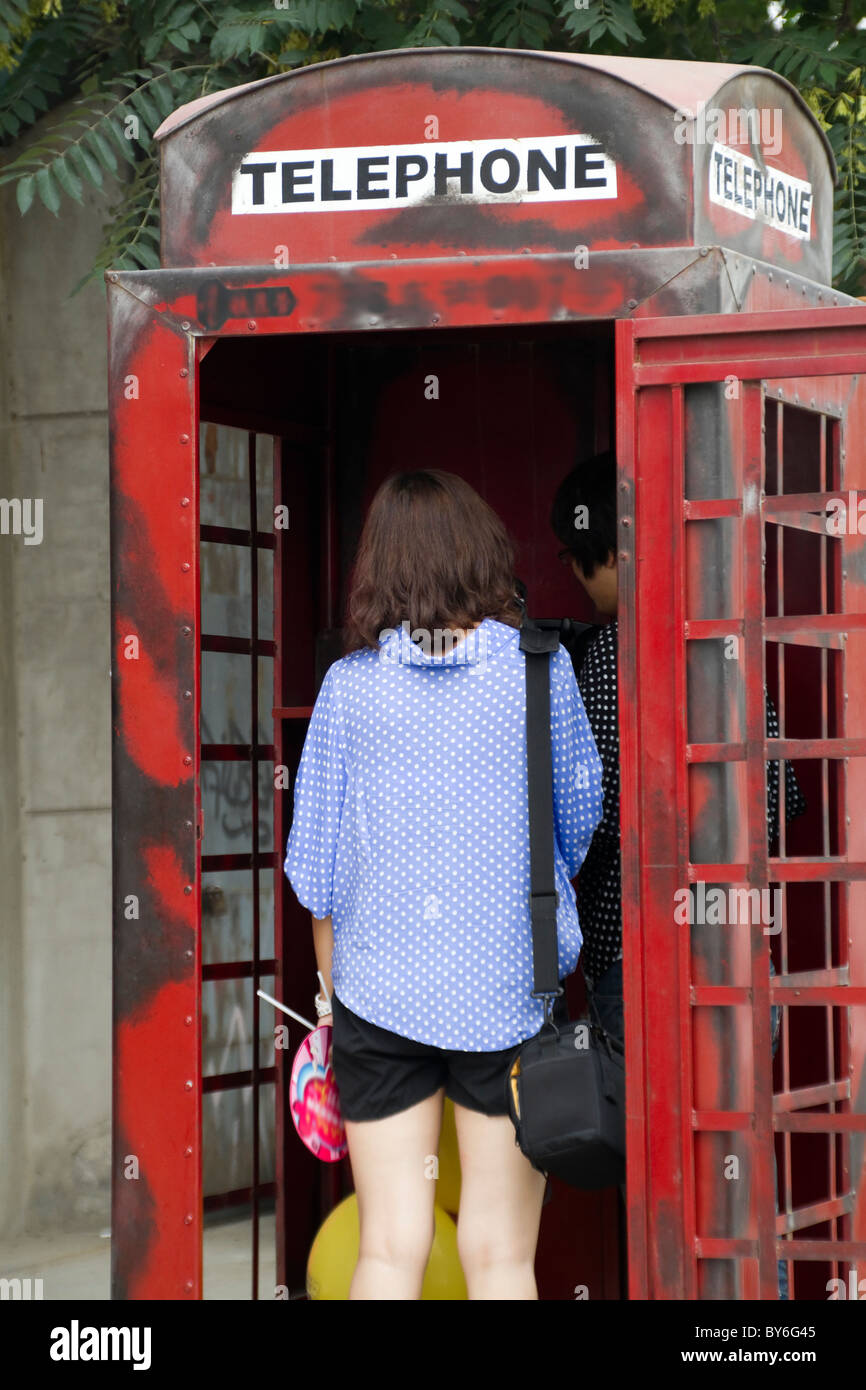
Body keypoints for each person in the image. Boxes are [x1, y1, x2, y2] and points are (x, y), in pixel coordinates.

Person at [284, 469, 604, 1301]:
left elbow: (314, 872)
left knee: (389, 1248)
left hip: (376, 1000)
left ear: (378, 570)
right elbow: (577, 821)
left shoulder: (348, 692)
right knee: (500, 1257)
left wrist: (331, 1000)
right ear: (483, 556)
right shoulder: (542, 671)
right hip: (508, 991)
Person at [550, 450, 806, 1299]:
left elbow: (580, 814)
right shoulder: (724, 634)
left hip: (636, 949)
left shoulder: (597, 660)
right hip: (737, 948)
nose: (581, 585)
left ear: (612, 551)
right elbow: (784, 792)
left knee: (659, 1164)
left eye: (580, 563)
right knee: (738, 1163)